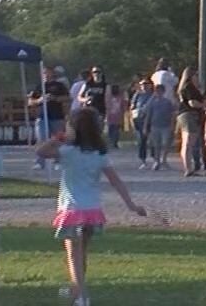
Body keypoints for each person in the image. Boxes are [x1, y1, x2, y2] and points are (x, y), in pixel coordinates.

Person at [37, 108, 148, 306]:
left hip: (72, 210)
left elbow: (41, 151)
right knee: (82, 254)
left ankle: (81, 296)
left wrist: (58, 138)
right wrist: (131, 205)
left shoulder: (68, 152)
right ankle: (77, 291)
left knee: (73, 255)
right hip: (92, 212)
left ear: (74, 130)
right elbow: (116, 181)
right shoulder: (99, 155)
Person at [174, 68, 205, 177]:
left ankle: (188, 167)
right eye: (196, 75)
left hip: (183, 114)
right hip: (189, 114)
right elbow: (192, 103)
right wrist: (204, 105)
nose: (197, 77)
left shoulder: (185, 87)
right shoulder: (189, 87)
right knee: (189, 142)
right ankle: (188, 168)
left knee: (186, 142)